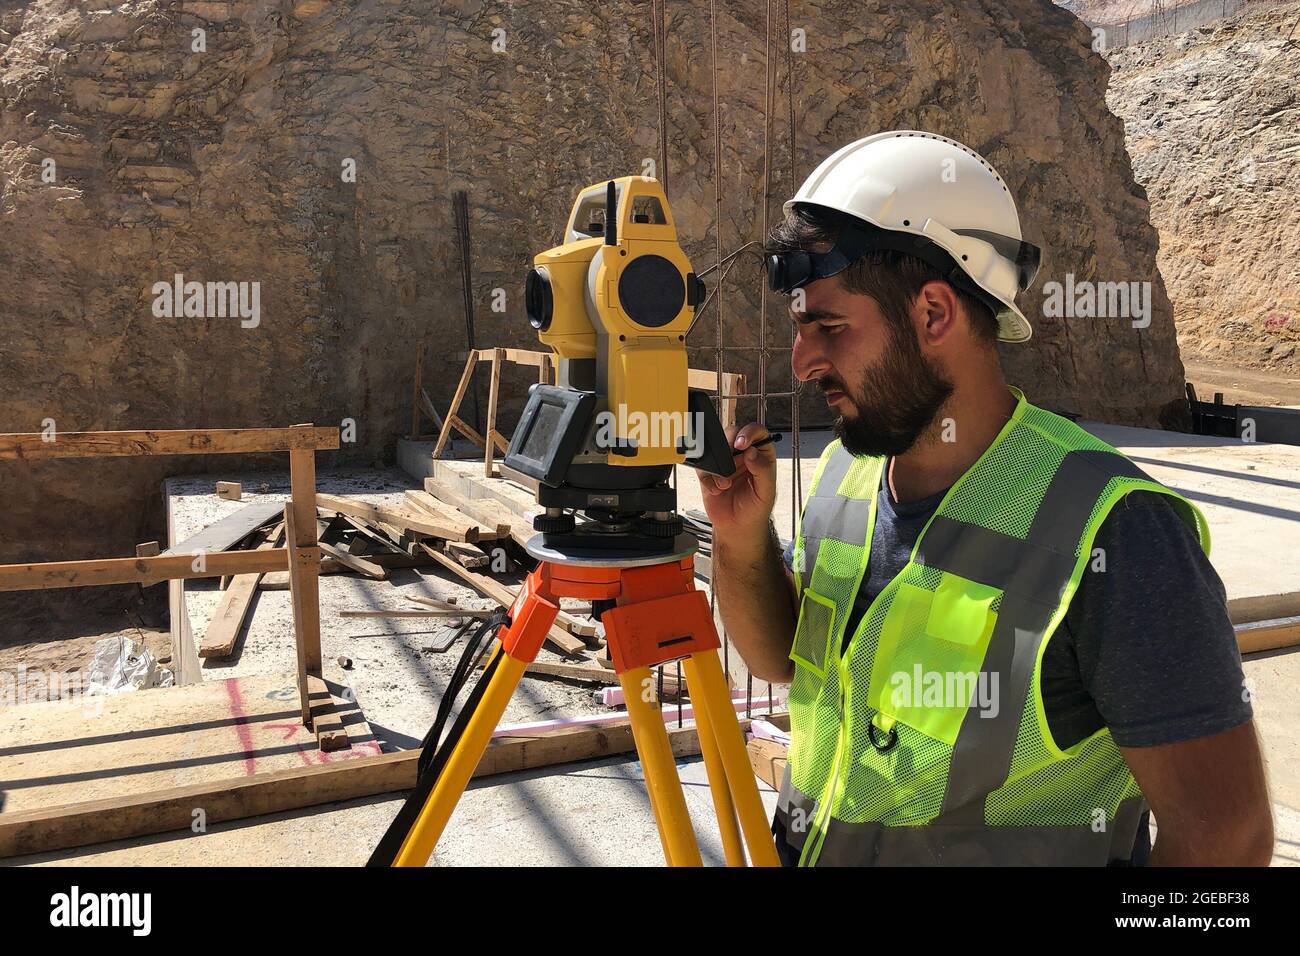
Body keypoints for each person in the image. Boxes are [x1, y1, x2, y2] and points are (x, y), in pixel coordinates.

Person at [699, 130, 1273, 866]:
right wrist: (743, 539)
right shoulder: (848, 472)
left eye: (829, 328)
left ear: (934, 314)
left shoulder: (1118, 531)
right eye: (800, 327)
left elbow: (1226, 840)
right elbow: (783, 661)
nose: (804, 360)